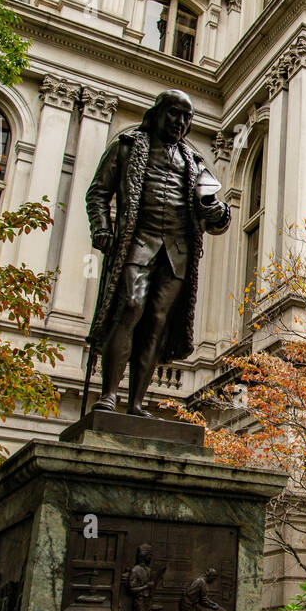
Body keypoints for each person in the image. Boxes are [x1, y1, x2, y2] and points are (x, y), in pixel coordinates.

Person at [85, 90, 232, 416]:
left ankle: (136, 402)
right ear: (158, 113)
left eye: (186, 117)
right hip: (138, 242)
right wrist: (102, 228)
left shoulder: (194, 163)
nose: (180, 122)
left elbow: (218, 219)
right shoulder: (127, 147)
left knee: (156, 324)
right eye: (175, 113)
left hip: (176, 253)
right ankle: (109, 394)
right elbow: (97, 193)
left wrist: (217, 211)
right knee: (130, 307)